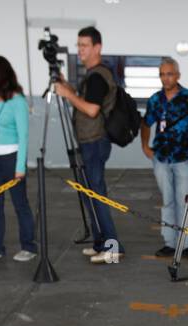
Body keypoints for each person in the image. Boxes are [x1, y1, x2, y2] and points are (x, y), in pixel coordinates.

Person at [54, 26, 124, 264]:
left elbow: (92, 110)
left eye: (84, 45)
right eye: (78, 45)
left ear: (97, 47)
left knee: (97, 195)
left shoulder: (97, 76)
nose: (80, 50)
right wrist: (67, 87)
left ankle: (113, 247)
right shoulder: (92, 74)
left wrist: (67, 94)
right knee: (89, 194)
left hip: (95, 142)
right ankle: (100, 243)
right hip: (89, 141)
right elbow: (86, 101)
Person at [0, 56, 36, 262]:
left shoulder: (18, 102)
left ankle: (29, 246)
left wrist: (20, 167)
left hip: (11, 157)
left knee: (20, 204)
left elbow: (23, 135)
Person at [142, 57, 188, 259]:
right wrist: (145, 147)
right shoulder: (155, 100)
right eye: (162, 74)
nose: (165, 78)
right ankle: (169, 242)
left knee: (184, 203)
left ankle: (186, 245)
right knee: (167, 202)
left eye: (169, 74)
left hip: (185, 159)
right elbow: (146, 123)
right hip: (161, 159)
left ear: (177, 75)